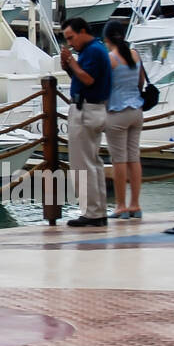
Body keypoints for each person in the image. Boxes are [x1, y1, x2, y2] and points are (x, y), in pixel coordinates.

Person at [60, 16, 112, 227]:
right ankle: (97, 210)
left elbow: (88, 79)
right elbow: (83, 78)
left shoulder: (92, 51)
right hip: (94, 107)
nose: (70, 43)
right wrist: (69, 66)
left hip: (86, 110)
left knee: (83, 164)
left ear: (83, 31)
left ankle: (91, 212)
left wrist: (71, 62)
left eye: (71, 38)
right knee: (93, 162)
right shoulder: (95, 49)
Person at [103, 21, 145, 220]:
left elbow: (104, 87)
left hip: (116, 111)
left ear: (107, 39)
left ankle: (121, 206)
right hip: (136, 110)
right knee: (133, 158)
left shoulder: (110, 58)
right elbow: (141, 82)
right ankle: (135, 204)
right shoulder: (135, 54)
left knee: (118, 160)